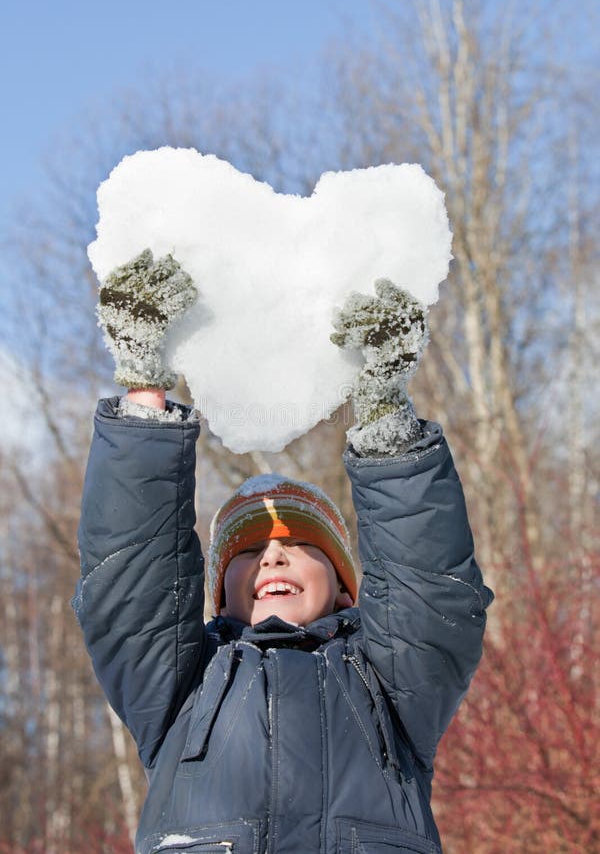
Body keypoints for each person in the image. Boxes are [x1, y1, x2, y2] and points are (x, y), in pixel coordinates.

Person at [74, 250, 493, 854]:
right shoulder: (179, 688)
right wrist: (144, 390)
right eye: (247, 553)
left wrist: (384, 416)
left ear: (345, 586)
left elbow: (429, 591)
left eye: (298, 544)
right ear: (218, 598)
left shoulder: (392, 686)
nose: (272, 557)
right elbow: (132, 579)